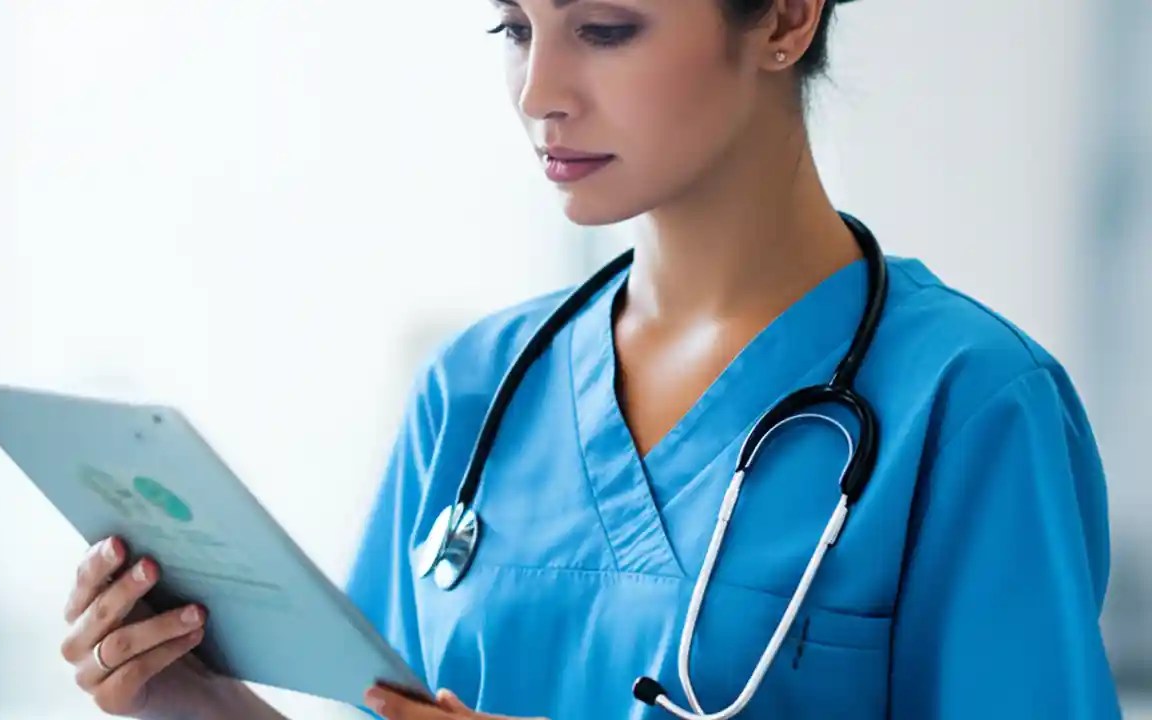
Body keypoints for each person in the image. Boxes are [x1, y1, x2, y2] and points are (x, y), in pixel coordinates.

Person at [56, 0, 1123, 717]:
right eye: (516, 27)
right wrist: (197, 700)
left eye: (604, 28)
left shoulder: (968, 404)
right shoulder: (472, 387)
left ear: (786, 18)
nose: (538, 91)